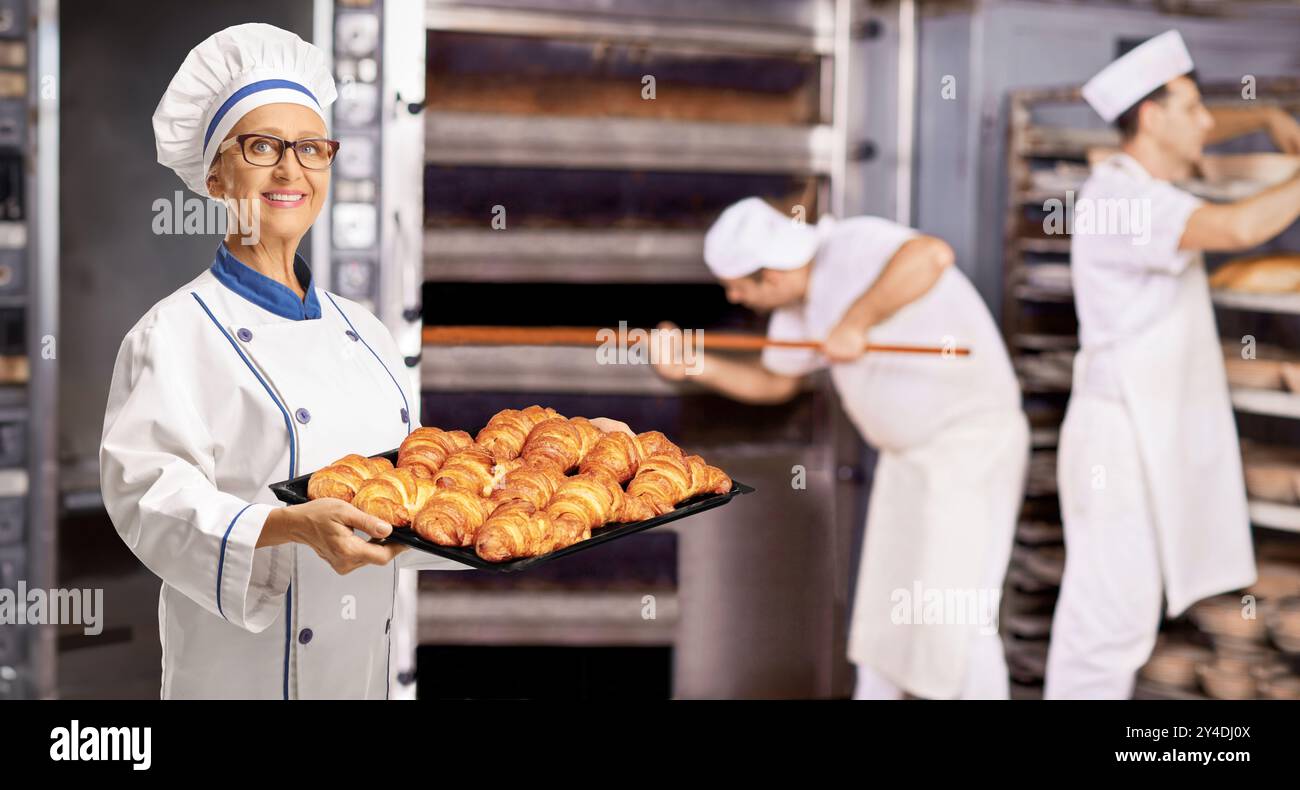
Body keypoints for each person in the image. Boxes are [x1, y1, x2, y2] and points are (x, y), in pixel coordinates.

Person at [654, 198, 1029, 699]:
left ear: (772, 274)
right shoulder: (798, 308)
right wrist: (696, 365)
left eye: (740, 286)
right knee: (885, 621)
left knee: (956, 618)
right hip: (908, 463)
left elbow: (931, 255)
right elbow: (775, 382)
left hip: (967, 450)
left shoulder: (850, 246)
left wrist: (857, 320)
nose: (736, 298)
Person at [1044, 30, 1300, 699]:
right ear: (1153, 118)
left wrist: (1269, 117)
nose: (1211, 124)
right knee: (1109, 624)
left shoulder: (1131, 179)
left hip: (1138, 429)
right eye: (1194, 109)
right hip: (1118, 437)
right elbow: (1241, 229)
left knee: (1120, 611)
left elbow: (1199, 132)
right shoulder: (1128, 202)